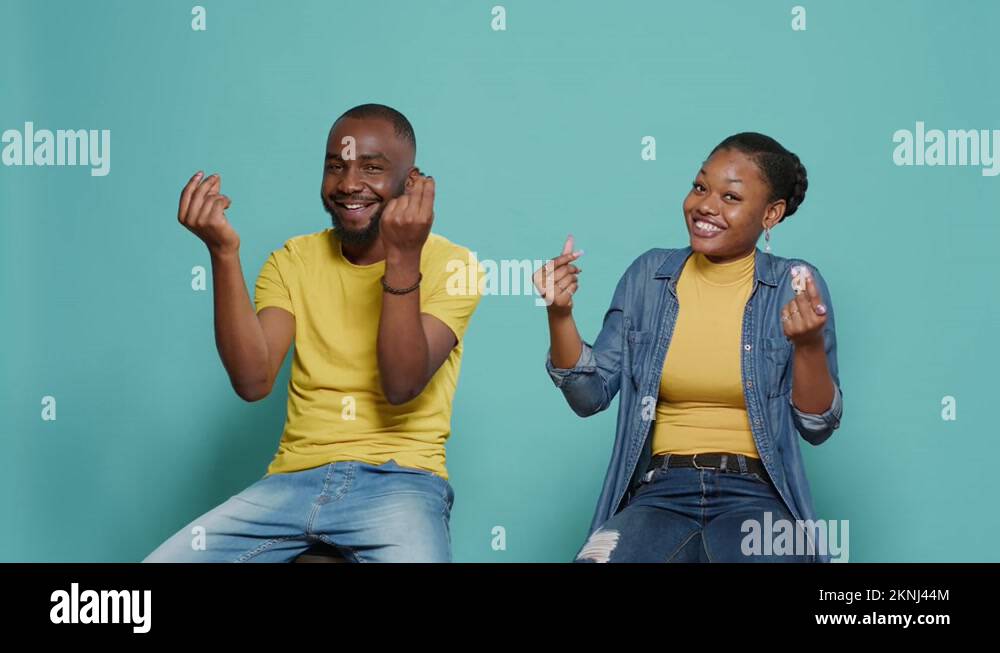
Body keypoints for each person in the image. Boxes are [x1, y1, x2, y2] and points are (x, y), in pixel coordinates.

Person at [144, 104, 482, 562]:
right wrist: (223, 253)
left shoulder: (455, 265)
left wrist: (404, 255)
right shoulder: (292, 260)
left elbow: (402, 383)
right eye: (335, 166)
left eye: (372, 168)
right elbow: (253, 380)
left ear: (412, 181)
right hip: (292, 483)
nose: (348, 183)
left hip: (400, 482)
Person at [536, 132, 843, 563]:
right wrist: (560, 314)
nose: (706, 206)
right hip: (660, 492)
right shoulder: (649, 276)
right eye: (700, 187)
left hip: (754, 495)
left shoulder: (795, 284)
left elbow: (817, 426)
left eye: (730, 197)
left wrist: (809, 344)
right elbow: (588, 396)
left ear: (770, 214)